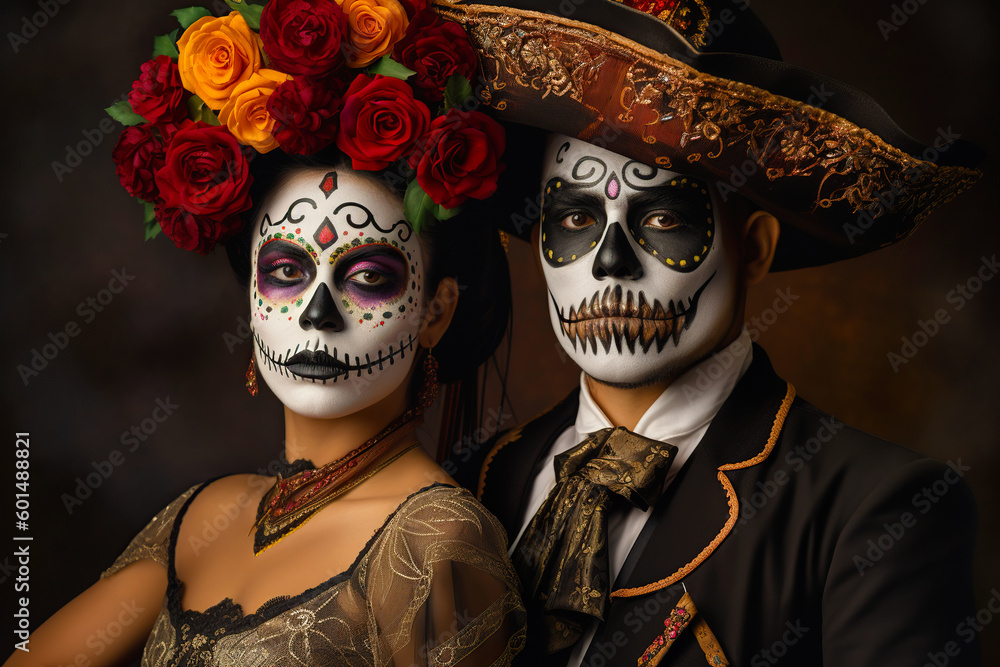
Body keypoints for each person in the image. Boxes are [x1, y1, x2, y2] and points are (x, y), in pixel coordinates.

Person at [439, 0, 983, 665]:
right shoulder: (471, 487)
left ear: (753, 248)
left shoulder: (873, 510)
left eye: (665, 220)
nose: (609, 264)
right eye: (577, 219)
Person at [5, 1, 525, 665]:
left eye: (368, 278)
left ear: (436, 311)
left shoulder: (435, 539)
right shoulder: (207, 514)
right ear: (250, 293)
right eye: (286, 269)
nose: (317, 312)